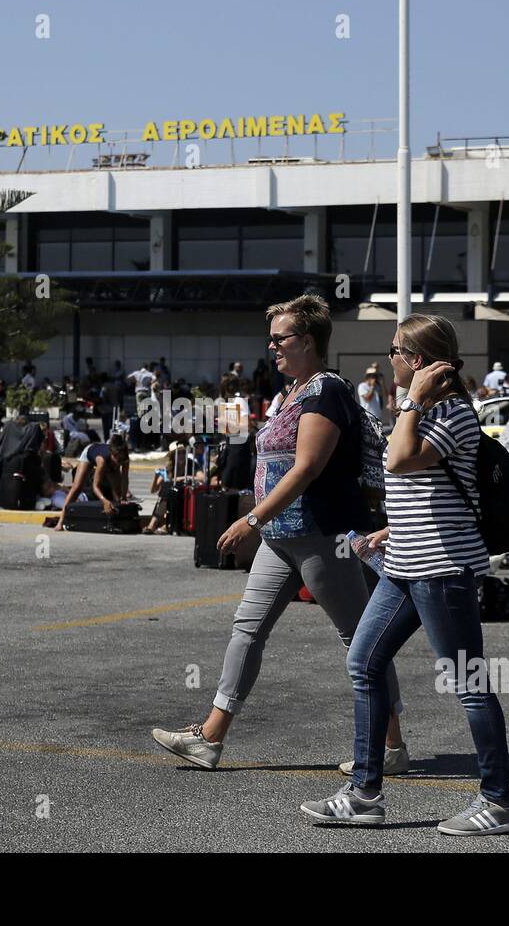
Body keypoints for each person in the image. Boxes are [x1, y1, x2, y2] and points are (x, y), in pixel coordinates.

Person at [151, 294, 406, 772]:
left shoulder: (325, 391)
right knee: (247, 630)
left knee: (359, 639)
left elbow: (307, 466)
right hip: (282, 538)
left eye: (280, 338)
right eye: (271, 338)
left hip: (323, 533)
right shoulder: (290, 392)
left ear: (307, 341)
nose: (272, 347)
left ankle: (391, 748)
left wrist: (252, 518)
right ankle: (210, 737)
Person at [300, 312, 509, 834]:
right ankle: (366, 794)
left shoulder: (453, 415)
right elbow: (424, 495)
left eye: (396, 351)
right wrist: (389, 533)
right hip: (403, 566)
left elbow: (398, 461)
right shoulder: (421, 414)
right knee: (365, 662)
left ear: (418, 362)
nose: (388, 358)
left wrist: (413, 399)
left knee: (468, 682)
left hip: (443, 570)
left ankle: (498, 801)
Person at [52, 434, 130, 531]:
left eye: (121, 460)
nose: (118, 463)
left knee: (117, 495)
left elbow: (125, 479)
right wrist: (104, 500)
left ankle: (116, 521)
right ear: (112, 454)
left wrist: (124, 496)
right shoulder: (102, 461)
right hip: (89, 454)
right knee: (76, 488)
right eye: (117, 459)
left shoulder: (125, 460)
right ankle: (61, 521)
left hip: (107, 462)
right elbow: (95, 486)